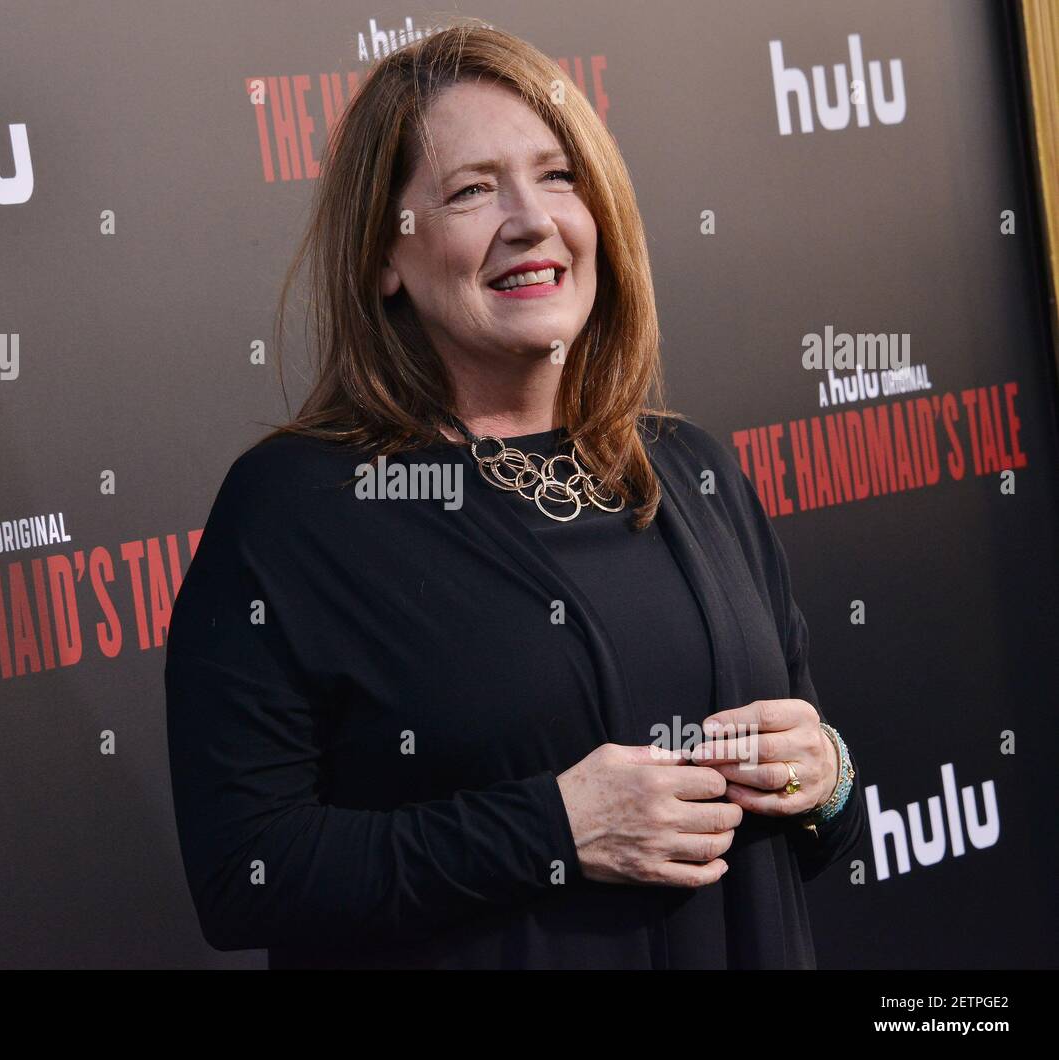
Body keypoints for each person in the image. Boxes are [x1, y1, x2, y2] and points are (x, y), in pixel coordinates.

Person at [164, 22, 864, 969]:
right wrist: (555, 828)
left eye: (558, 176)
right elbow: (246, 876)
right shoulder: (295, 510)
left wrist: (825, 779)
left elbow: (828, 834)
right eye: (471, 191)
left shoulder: (693, 469)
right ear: (384, 256)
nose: (531, 219)